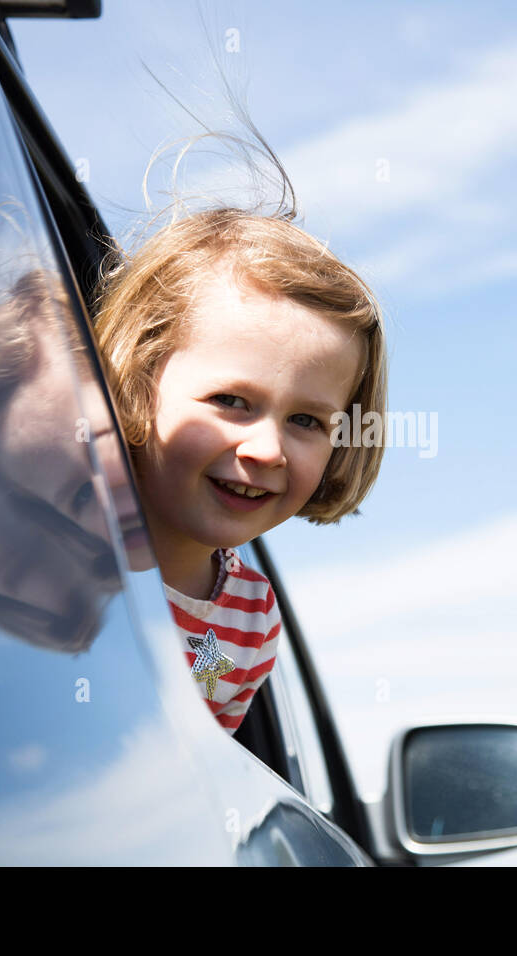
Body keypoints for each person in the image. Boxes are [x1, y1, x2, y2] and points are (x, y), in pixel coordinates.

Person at [92, 207, 387, 734]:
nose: (268, 449)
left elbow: (202, 776)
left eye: (306, 421)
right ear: (137, 380)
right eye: (230, 400)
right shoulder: (56, 549)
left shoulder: (250, 620)